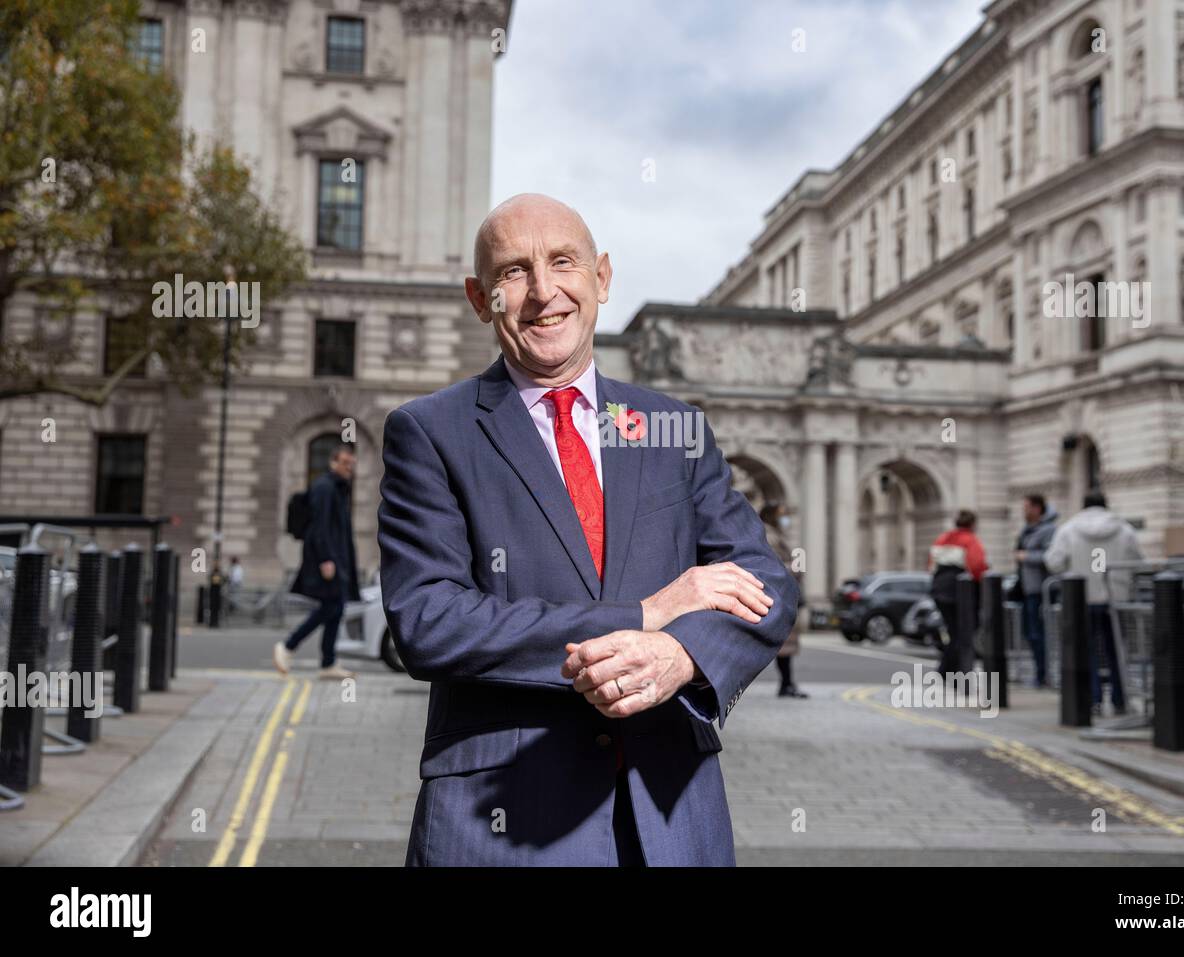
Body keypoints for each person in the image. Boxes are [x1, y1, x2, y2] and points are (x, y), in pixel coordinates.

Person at [378, 194, 797, 866]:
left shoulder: (673, 428)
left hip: (670, 820)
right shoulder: (429, 432)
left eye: (563, 262)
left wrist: (681, 654)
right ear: (480, 299)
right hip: (506, 825)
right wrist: (646, 614)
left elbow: (763, 581)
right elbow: (428, 621)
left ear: (601, 278)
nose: (544, 291)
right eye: (513, 272)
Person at [1045, 491, 1142, 715]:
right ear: (1106, 505)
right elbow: (1137, 561)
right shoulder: (1124, 529)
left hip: (1082, 598)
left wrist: (1074, 569)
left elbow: (1054, 562)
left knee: (1087, 651)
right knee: (1117, 650)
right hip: (1115, 597)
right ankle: (1120, 700)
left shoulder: (1068, 529)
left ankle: (1093, 699)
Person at [274, 445, 360, 680]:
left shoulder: (338, 488)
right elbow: (320, 527)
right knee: (330, 607)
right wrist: (326, 559)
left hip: (337, 557)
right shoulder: (324, 487)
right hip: (327, 558)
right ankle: (288, 646)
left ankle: (328, 663)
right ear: (333, 463)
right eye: (345, 463)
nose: (349, 468)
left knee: (336, 607)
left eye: (352, 464)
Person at [928, 509, 988, 675]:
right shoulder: (970, 540)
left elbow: (931, 564)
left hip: (939, 588)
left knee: (954, 631)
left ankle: (949, 670)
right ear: (973, 524)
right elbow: (977, 566)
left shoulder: (943, 538)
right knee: (964, 632)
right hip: (960, 591)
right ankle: (949, 670)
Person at [760, 502, 807, 698]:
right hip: (778, 596)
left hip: (780, 596)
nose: (785, 518)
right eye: (781, 514)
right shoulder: (769, 535)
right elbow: (773, 565)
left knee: (785, 646)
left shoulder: (775, 534)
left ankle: (787, 683)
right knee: (783, 645)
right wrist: (795, 567)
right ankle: (786, 685)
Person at [1015, 493, 1057, 688]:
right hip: (1027, 588)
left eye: (1026, 507)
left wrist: (1027, 556)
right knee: (1030, 633)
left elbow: (1051, 557)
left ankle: (1043, 675)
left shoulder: (1048, 530)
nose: (1023, 511)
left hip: (1041, 590)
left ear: (1037, 508)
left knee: (1038, 633)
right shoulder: (1027, 530)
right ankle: (1040, 673)